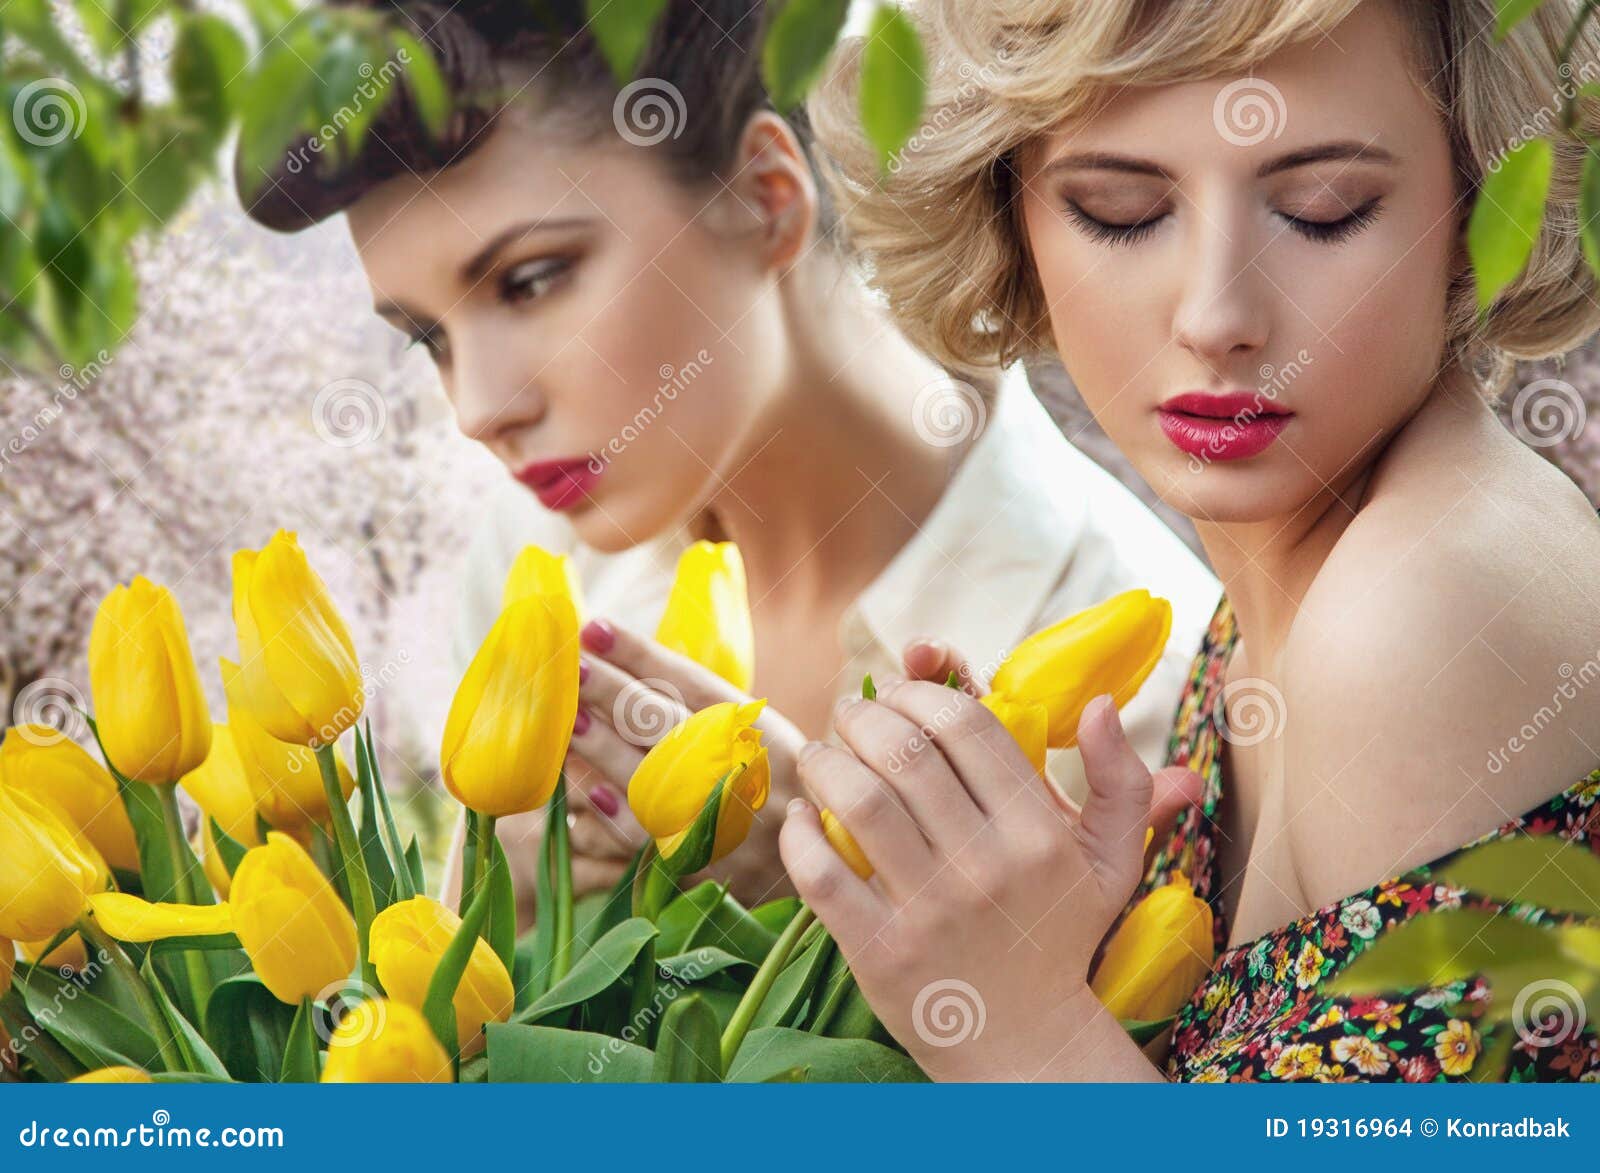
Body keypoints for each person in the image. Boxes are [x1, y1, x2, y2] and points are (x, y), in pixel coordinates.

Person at [236, 0, 1220, 919]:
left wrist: (819, 904)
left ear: (766, 200)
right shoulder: (532, 566)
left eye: (531, 281)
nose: (480, 408)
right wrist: (497, 918)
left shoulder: (1132, 689)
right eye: (427, 337)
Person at [783, 0, 1600, 1081]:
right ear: (1005, 213)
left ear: (1476, 206)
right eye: (1119, 212)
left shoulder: (1427, 601)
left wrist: (1018, 1025)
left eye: (1322, 208)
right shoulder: (1297, 575)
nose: (1217, 315)